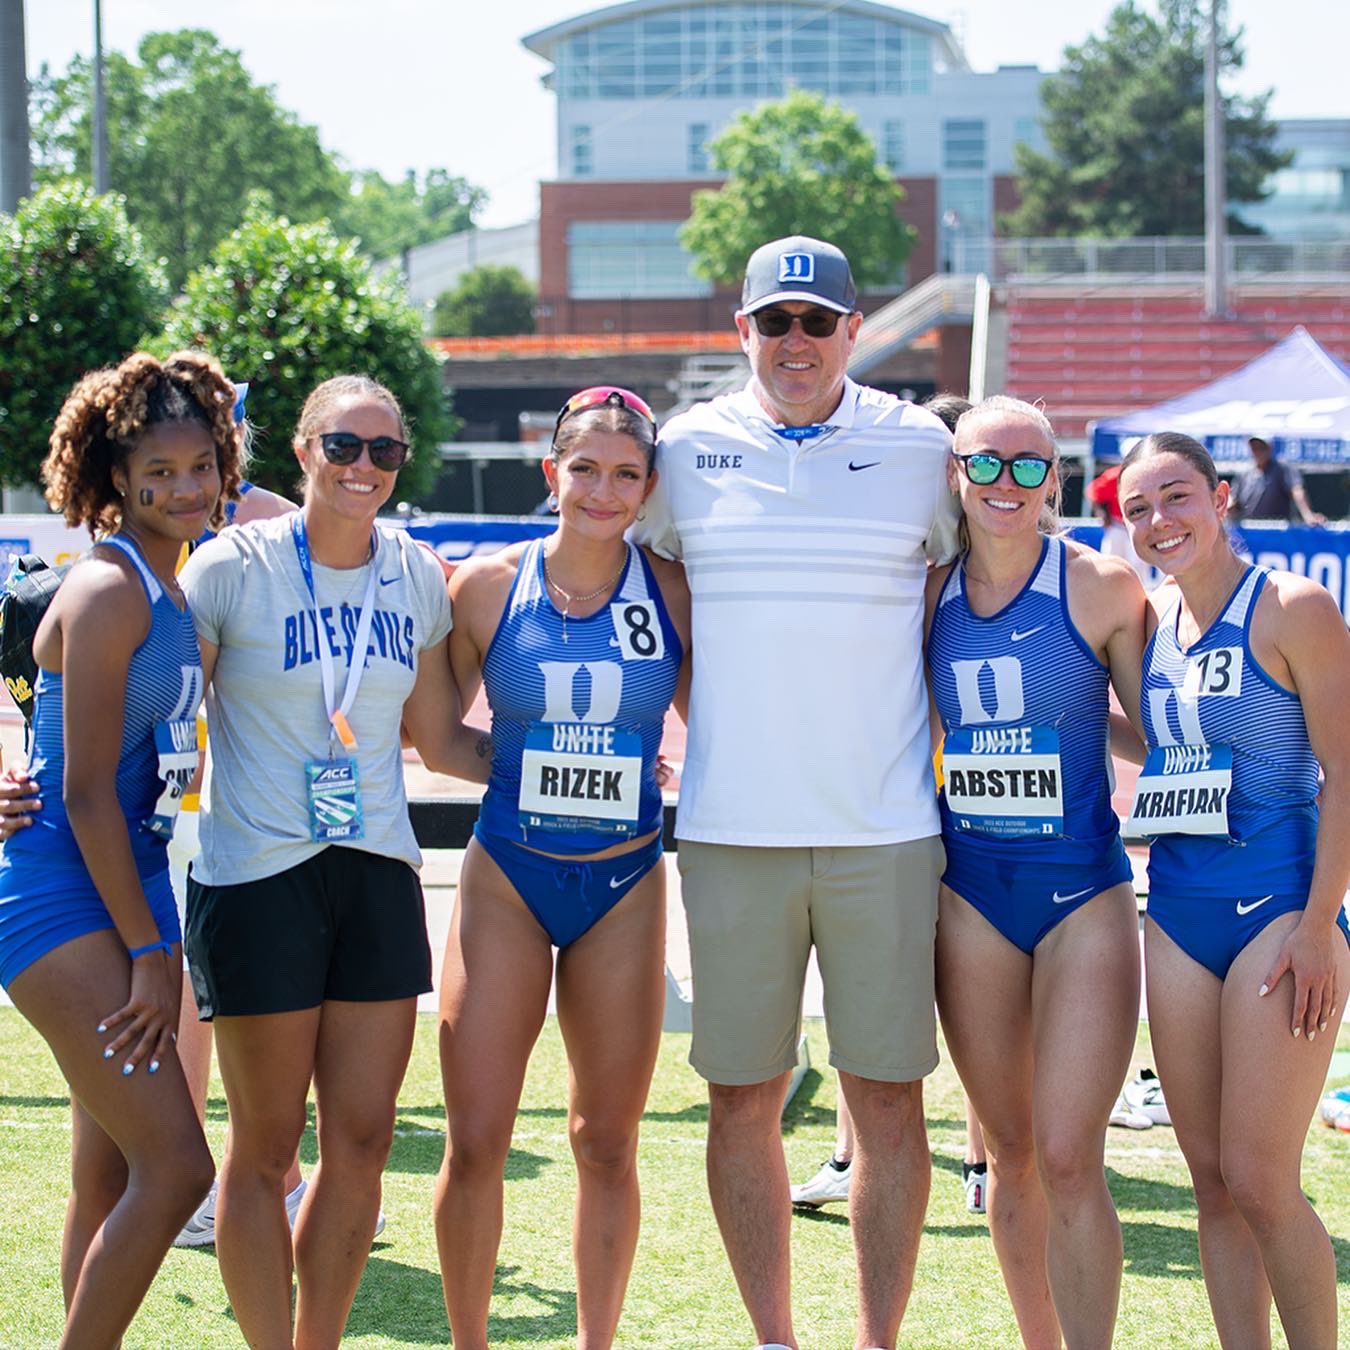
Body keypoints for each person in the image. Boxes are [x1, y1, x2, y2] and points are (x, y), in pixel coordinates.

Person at [634, 236, 958, 1350]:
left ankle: (876, 1342)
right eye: (775, 321)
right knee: (742, 1102)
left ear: (855, 332)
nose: (796, 341)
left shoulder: (922, 447)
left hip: (888, 832)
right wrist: (710, 702)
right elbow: (656, 584)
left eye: (818, 321)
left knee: (888, 1104)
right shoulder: (683, 448)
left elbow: (959, 590)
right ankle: (774, 1339)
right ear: (742, 333)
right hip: (732, 831)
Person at [176, 373, 488, 1349]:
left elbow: (441, 743)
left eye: (385, 452)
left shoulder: (415, 577)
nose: (365, 467)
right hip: (257, 876)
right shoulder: (230, 567)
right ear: (304, 452)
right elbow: (157, 712)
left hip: (377, 874)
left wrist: (563, 769)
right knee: (265, 1152)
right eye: (345, 446)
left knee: (362, 1142)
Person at [434, 385, 689, 1350]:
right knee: (476, 1142)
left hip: (624, 882)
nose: (603, 489)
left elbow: (724, 720)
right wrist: (526, 765)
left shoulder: (670, 590)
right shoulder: (490, 586)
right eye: (585, 468)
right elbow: (434, 735)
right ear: (553, 474)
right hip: (508, 875)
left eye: (626, 474)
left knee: (607, 1142)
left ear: (648, 486)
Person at [0, 351, 239, 1346]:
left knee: (108, 1173)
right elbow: (86, 791)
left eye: (200, 467)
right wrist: (150, 954)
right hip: (63, 900)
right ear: (115, 480)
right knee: (180, 1170)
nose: (184, 489)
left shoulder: (174, 586)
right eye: (159, 474)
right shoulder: (109, 590)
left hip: (133, 884)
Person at [1118, 431, 1350, 1349]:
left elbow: (1345, 769)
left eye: (1174, 497)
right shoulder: (1151, 622)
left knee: (1259, 1175)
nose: (1157, 521)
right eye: (1137, 509)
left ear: (1220, 498)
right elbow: (1170, 748)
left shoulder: (1293, 606)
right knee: (1208, 1176)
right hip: (1176, 906)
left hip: (1278, 906)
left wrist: (1324, 922)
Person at [928, 396, 1146, 1347]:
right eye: (986, 464)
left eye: (1028, 466)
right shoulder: (925, 589)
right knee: (1010, 1154)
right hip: (970, 893)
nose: (1007, 483)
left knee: (1067, 1154)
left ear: (1052, 479)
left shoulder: (1100, 587)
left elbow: (1156, 735)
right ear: (956, 476)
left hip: (1082, 895)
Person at [790, 391, 988, 1218]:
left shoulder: (1000, 567)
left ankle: (984, 1159)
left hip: (972, 811)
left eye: (958, 460)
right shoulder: (894, 548)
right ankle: (846, 1155)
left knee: (979, 998)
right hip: (889, 800)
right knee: (864, 1004)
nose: (946, 477)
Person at [1228, 435, 1325, 525]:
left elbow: (1297, 491)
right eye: (1254, 448)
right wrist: (1222, 514)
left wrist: (1308, 515)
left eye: (1261, 448)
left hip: (1278, 531)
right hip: (1250, 531)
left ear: (1269, 448)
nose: (1258, 451)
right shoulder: (1243, 474)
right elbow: (1234, 502)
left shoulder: (1282, 469)